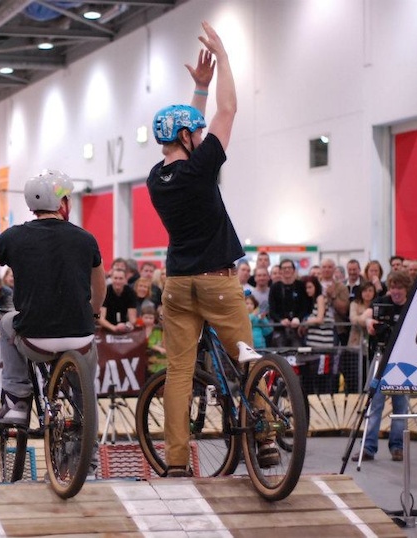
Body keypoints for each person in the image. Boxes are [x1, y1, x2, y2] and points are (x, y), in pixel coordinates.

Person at [146, 23, 278, 477]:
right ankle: (265, 441)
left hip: (177, 284)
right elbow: (230, 108)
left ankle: (178, 461)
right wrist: (222, 58)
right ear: (187, 139)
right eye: (195, 133)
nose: (202, 137)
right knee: (247, 359)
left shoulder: (155, 179)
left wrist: (197, 88)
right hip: (218, 283)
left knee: (180, 372)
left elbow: (195, 122)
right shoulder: (201, 169)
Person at [0, 169, 106, 430]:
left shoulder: (13, 237)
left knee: (6, 323)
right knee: (85, 394)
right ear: (61, 203)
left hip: (36, 340)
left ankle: (17, 401)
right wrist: (92, 314)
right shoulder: (86, 238)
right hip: (80, 338)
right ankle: (87, 463)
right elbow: (99, 287)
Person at [353, 271, 412, 462]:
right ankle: (368, 447)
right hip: (381, 357)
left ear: (406, 289)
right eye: (393, 287)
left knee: (400, 406)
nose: (395, 291)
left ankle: (397, 447)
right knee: (374, 403)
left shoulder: (412, 305)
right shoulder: (382, 302)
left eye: (399, 288)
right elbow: (362, 316)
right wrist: (369, 321)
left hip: (402, 362)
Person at [268, 258, 311, 347]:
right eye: (284, 268)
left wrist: (298, 318)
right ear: (280, 271)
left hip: (298, 329)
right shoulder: (274, 287)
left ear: (294, 270)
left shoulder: (301, 285)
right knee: (281, 357)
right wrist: (280, 320)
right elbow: (272, 310)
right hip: (280, 329)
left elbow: (305, 306)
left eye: (289, 267)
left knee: (297, 356)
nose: (287, 270)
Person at [98, 268, 137, 333]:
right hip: (107, 327)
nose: (118, 281)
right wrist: (114, 328)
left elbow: (132, 319)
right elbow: (101, 318)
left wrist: (126, 326)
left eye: (120, 278)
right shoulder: (105, 292)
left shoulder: (131, 292)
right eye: (115, 278)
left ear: (125, 279)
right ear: (111, 278)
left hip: (124, 327)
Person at [142, 303, 167, 374]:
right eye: (161, 317)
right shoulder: (156, 330)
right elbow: (150, 343)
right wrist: (159, 349)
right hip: (155, 364)